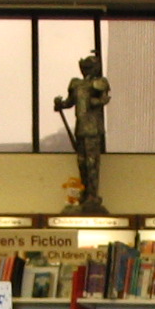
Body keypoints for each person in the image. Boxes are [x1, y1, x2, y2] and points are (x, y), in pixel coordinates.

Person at [53, 54, 110, 213]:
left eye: (89, 67)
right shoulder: (76, 84)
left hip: (93, 128)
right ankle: (85, 193)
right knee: (82, 162)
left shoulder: (100, 82)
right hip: (81, 128)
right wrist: (59, 104)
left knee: (92, 162)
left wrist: (95, 102)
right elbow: (69, 102)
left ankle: (92, 195)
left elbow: (104, 99)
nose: (86, 70)